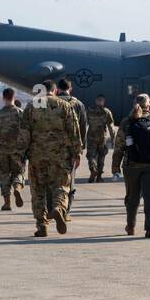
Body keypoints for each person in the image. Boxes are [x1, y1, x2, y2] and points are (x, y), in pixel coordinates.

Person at [20, 79, 82, 238]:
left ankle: (42, 225)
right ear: (55, 91)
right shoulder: (64, 105)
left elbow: (24, 133)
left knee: (38, 190)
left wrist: (22, 155)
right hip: (60, 156)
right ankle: (58, 208)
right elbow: (74, 131)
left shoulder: (32, 106)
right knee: (61, 186)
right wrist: (77, 153)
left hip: (37, 156)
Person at [112, 94, 150, 237]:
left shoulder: (127, 122)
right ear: (148, 105)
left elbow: (119, 146)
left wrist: (115, 167)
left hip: (131, 165)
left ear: (134, 104)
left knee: (132, 198)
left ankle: (131, 226)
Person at [0, 87, 25, 210]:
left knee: (4, 175)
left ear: (3, 98)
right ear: (14, 97)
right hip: (17, 150)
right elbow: (27, 133)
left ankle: (7, 203)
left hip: (1, 150)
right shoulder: (21, 113)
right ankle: (17, 188)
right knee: (18, 172)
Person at [55, 77, 88, 213]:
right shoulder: (78, 104)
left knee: (52, 179)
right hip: (71, 148)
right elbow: (82, 127)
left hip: (52, 147)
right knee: (69, 180)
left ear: (57, 89)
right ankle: (65, 210)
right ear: (70, 89)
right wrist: (80, 150)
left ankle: (53, 206)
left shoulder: (50, 103)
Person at [86, 94, 116, 182]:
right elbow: (111, 126)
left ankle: (93, 169)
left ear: (96, 101)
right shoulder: (106, 112)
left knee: (91, 155)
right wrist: (113, 138)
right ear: (103, 102)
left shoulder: (89, 110)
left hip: (91, 136)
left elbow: (84, 124)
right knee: (101, 156)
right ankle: (99, 176)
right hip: (103, 137)